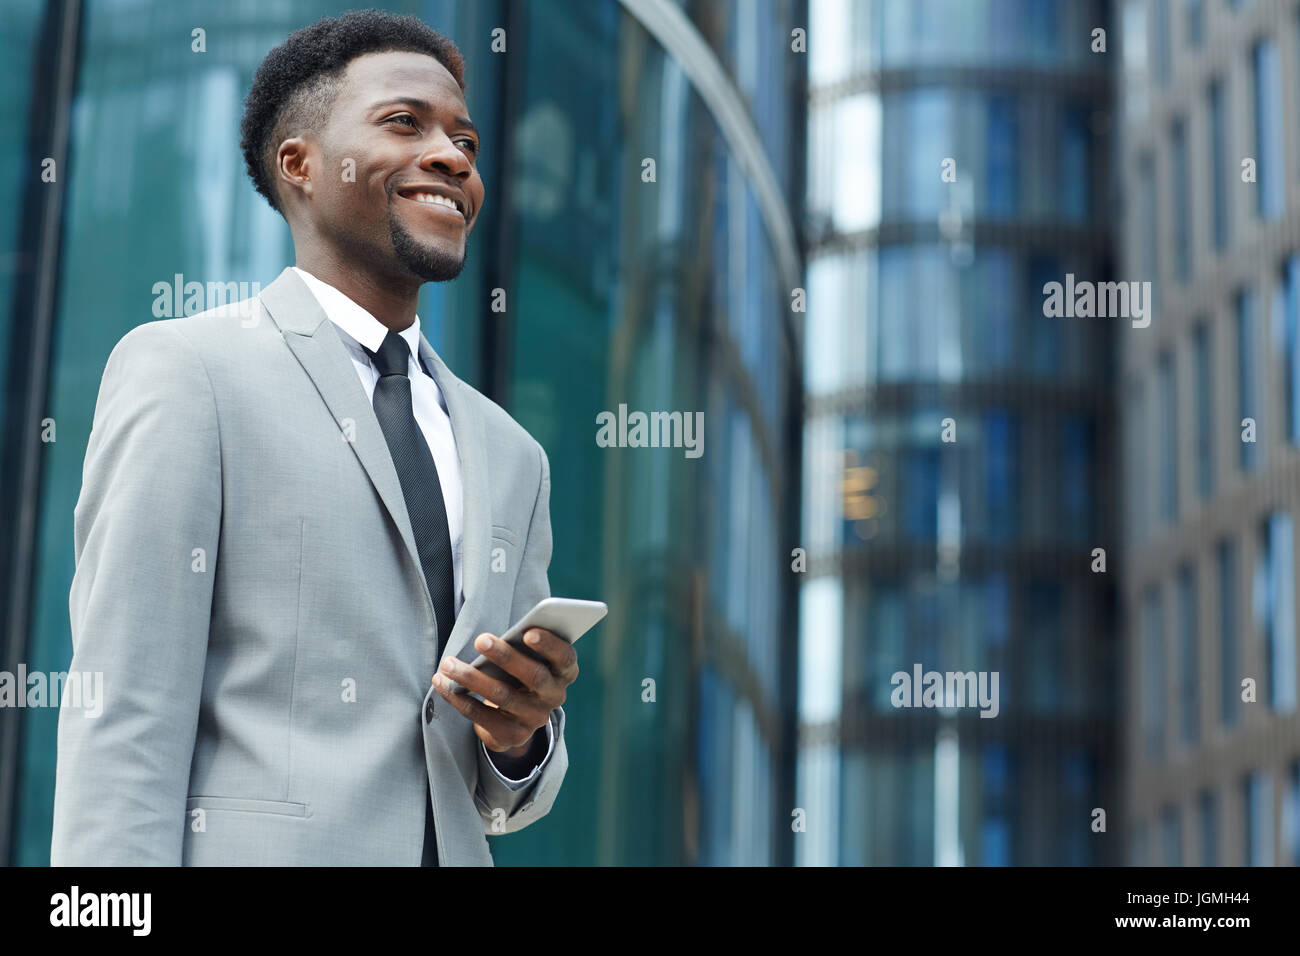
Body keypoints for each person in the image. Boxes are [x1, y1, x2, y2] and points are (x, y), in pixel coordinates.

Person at [50, 9, 577, 866]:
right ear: (298, 163)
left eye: (466, 142)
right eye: (405, 123)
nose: (451, 156)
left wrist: (519, 738)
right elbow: (126, 708)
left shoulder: (512, 453)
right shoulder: (189, 372)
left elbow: (498, 799)